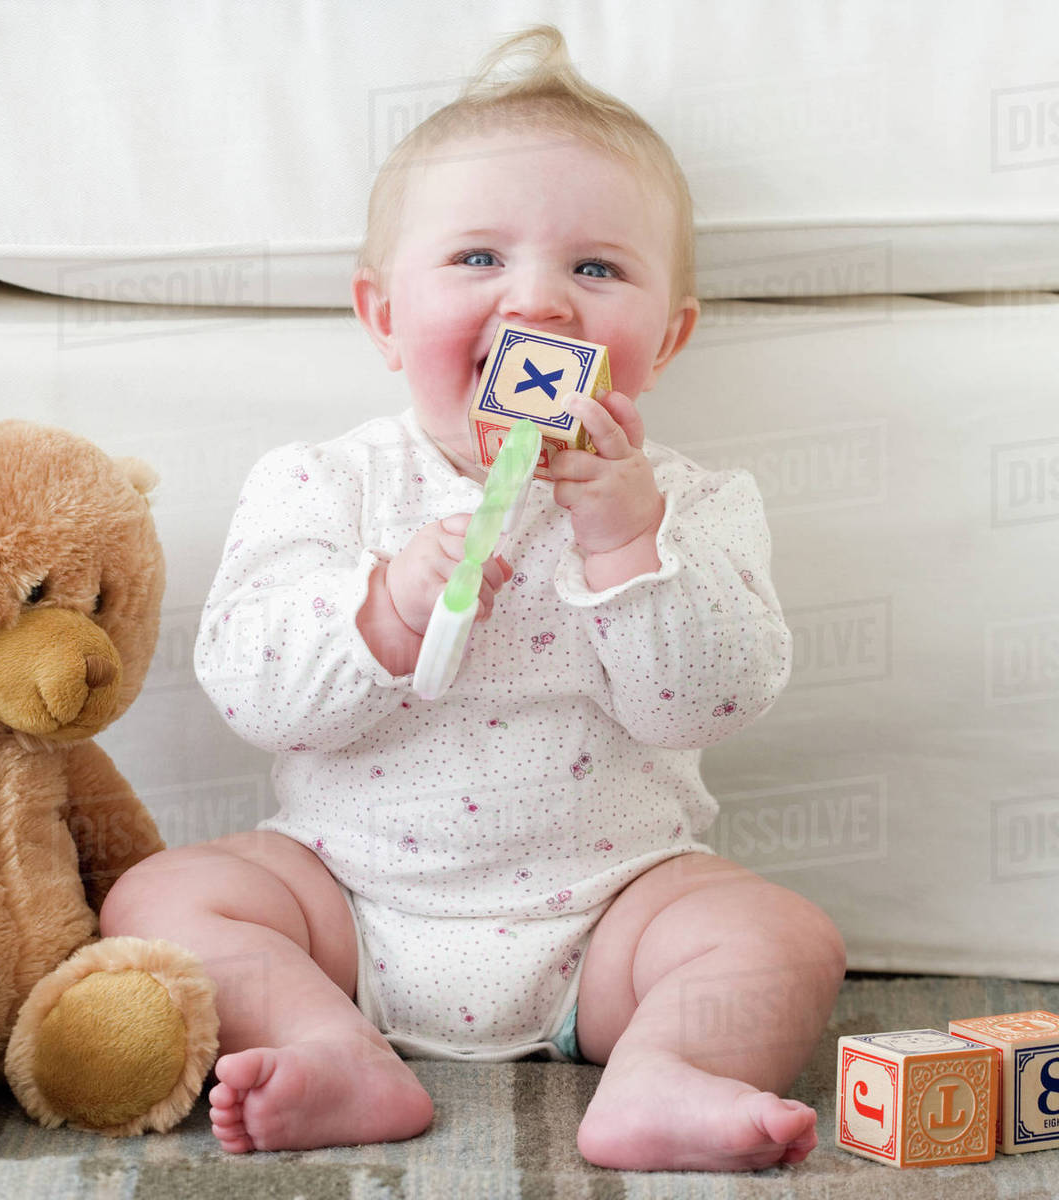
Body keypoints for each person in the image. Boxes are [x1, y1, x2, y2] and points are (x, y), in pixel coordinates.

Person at [101, 25, 846, 1172]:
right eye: (477, 261)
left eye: (597, 270)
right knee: (161, 898)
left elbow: (706, 704)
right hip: (343, 909)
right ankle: (329, 1049)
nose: (538, 302)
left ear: (669, 337)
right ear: (384, 316)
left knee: (779, 937)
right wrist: (387, 606)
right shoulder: (324, 485)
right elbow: (257, 692)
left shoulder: (695, 504)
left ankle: (661, 1074)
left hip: (608, 919)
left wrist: (625, 542)